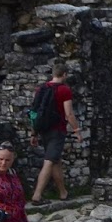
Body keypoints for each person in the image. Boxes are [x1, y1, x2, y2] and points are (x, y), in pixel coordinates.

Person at [30, 62, 83, 203]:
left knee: (55, 160)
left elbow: (34, 112)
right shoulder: (64, 90)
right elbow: (69, 114)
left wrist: (34, 133)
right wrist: (77, 131)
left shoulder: (41, 88)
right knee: (49, 161)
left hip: (43, 129)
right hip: (57, 130)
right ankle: (37, 195)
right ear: (64, 74)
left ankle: (63, 192)